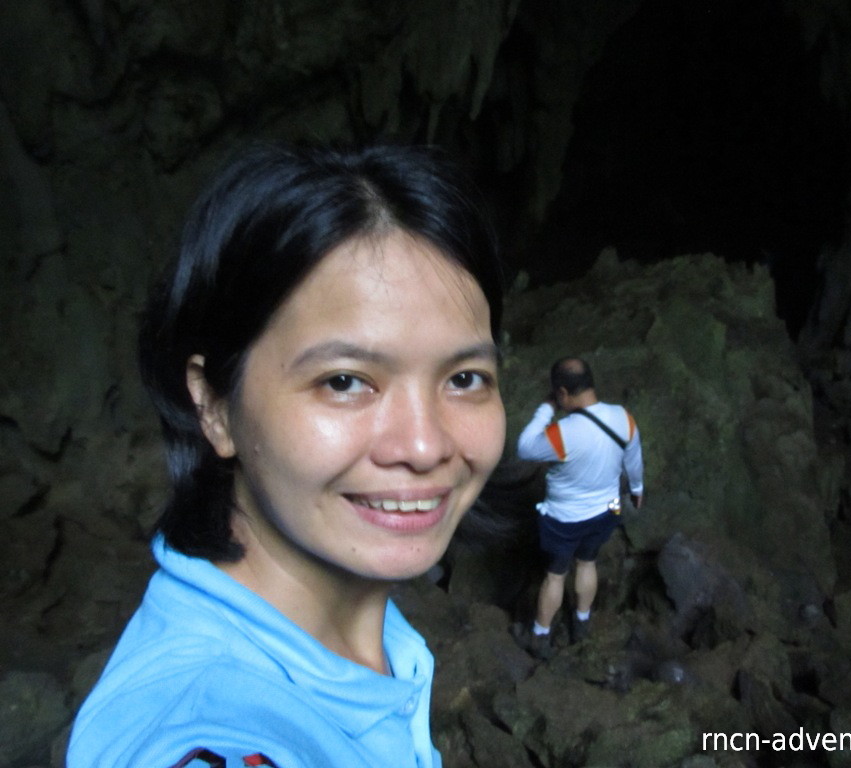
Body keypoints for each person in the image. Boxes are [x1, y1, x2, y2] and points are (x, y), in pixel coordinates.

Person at [67, 142, 506, 768]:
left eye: (464, 378)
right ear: (214, 404)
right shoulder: (200, 725)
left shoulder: (364, 632)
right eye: (345, 381)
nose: (424, 446)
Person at [516, 357, 643, 659]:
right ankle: (581, 622)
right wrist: (637, 489)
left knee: (556, 575)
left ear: (562, 393)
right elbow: (634, 461)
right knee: (588, 563)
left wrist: (546, 408)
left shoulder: (562, 433)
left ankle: (540, 635)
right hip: (606, 511)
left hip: (565, 519)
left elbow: (524, 446)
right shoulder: (623, 418)